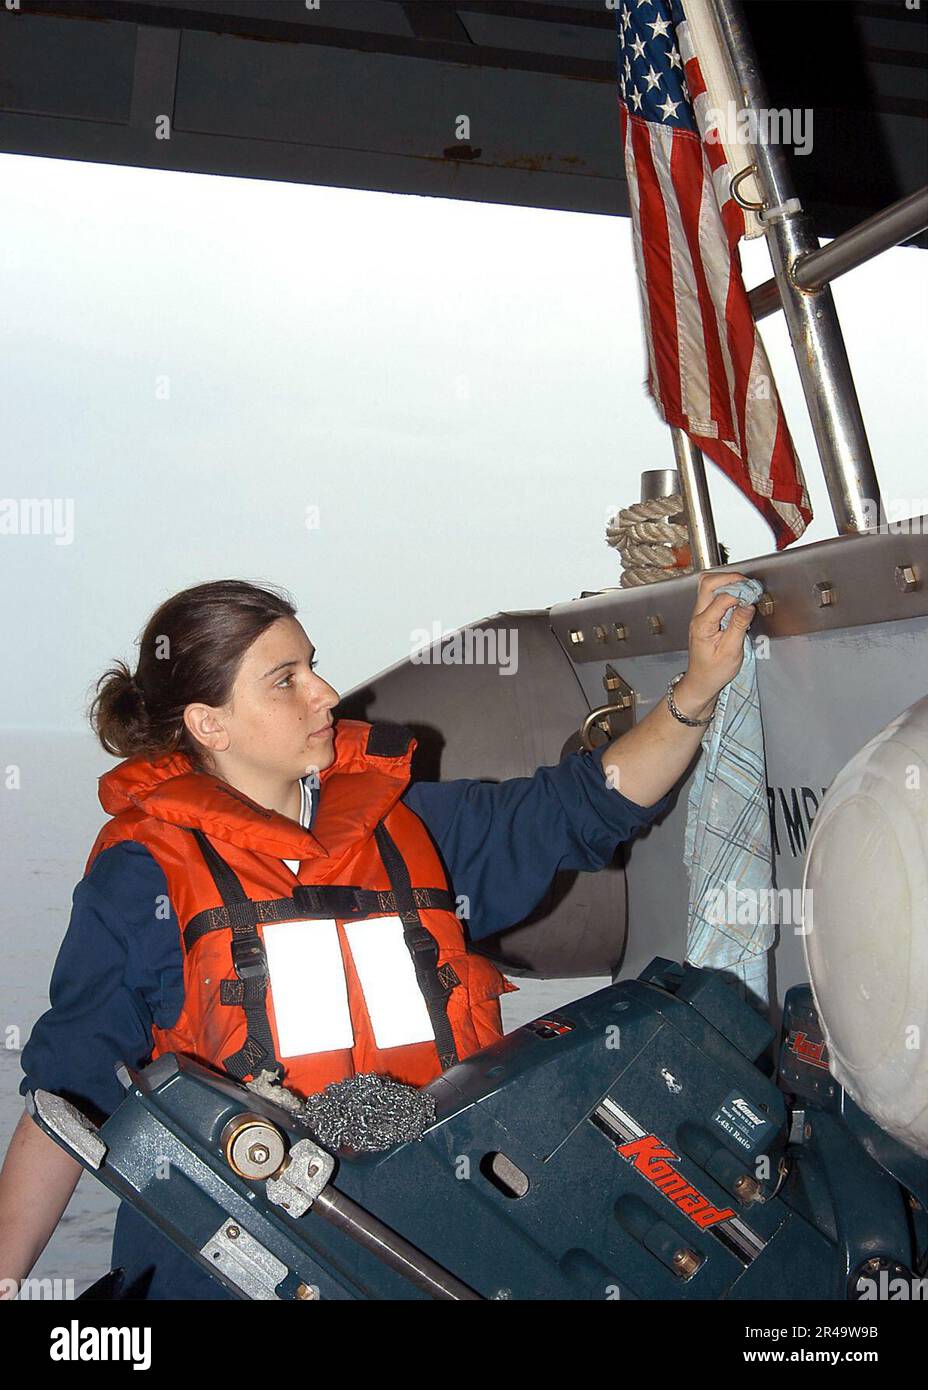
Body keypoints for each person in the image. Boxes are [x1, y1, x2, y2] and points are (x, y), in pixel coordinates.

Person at [0, 571, 755, 1300]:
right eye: (284, 679)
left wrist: (695, 689)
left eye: (313, 667)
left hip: (433, 1252)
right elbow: (68, 1096)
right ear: (209, 723)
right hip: (231, 1274)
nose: (324, 693)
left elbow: (588, 807)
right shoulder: (141, 880)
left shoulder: (413, 833)